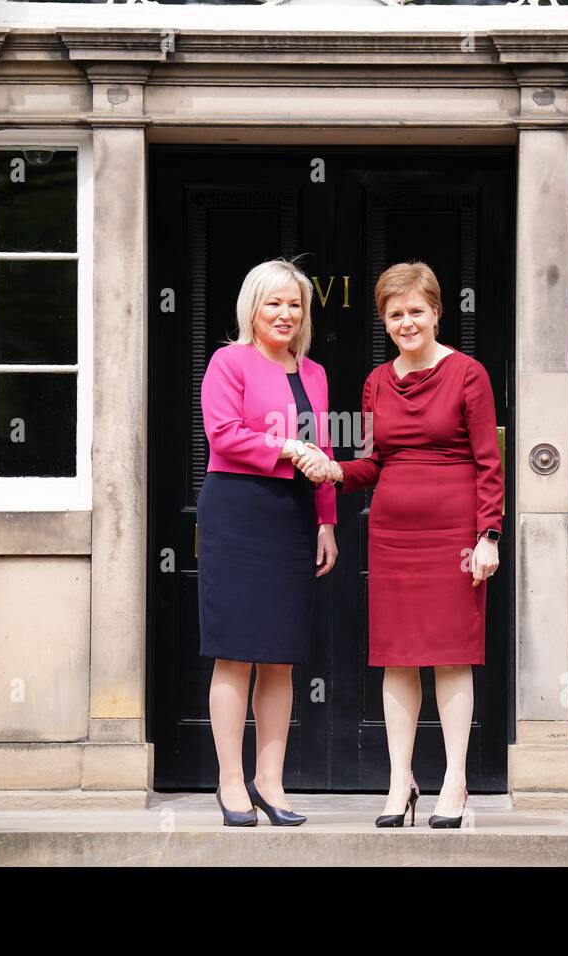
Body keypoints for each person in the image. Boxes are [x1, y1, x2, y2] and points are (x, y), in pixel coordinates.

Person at [314, 260, 502, 829]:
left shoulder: (469, 374)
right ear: (385, 320)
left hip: (455, 536)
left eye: (416, 311)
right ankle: (401, 781)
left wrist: (488, 535)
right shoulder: (375, 382)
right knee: (395, 660)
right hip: (392, 535)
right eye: (395, 314)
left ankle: (455, 781)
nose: (406, 322)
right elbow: (374, 463)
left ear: (437, 312)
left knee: (450, 655)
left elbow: (488, 463)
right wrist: (329, 470)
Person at [197, 258, 338, 827]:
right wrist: (288, 449)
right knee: (234, 653)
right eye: (273, 302)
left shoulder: (316, 373)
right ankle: (231, 782)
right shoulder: (228, 361)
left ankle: (270, 781)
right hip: (237, 511)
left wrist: (326, 521)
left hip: (293, 518)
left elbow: (321, 448)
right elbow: (224, 434)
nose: (285, 314)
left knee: (280, 658)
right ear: (252, 307)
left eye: (295, 304)